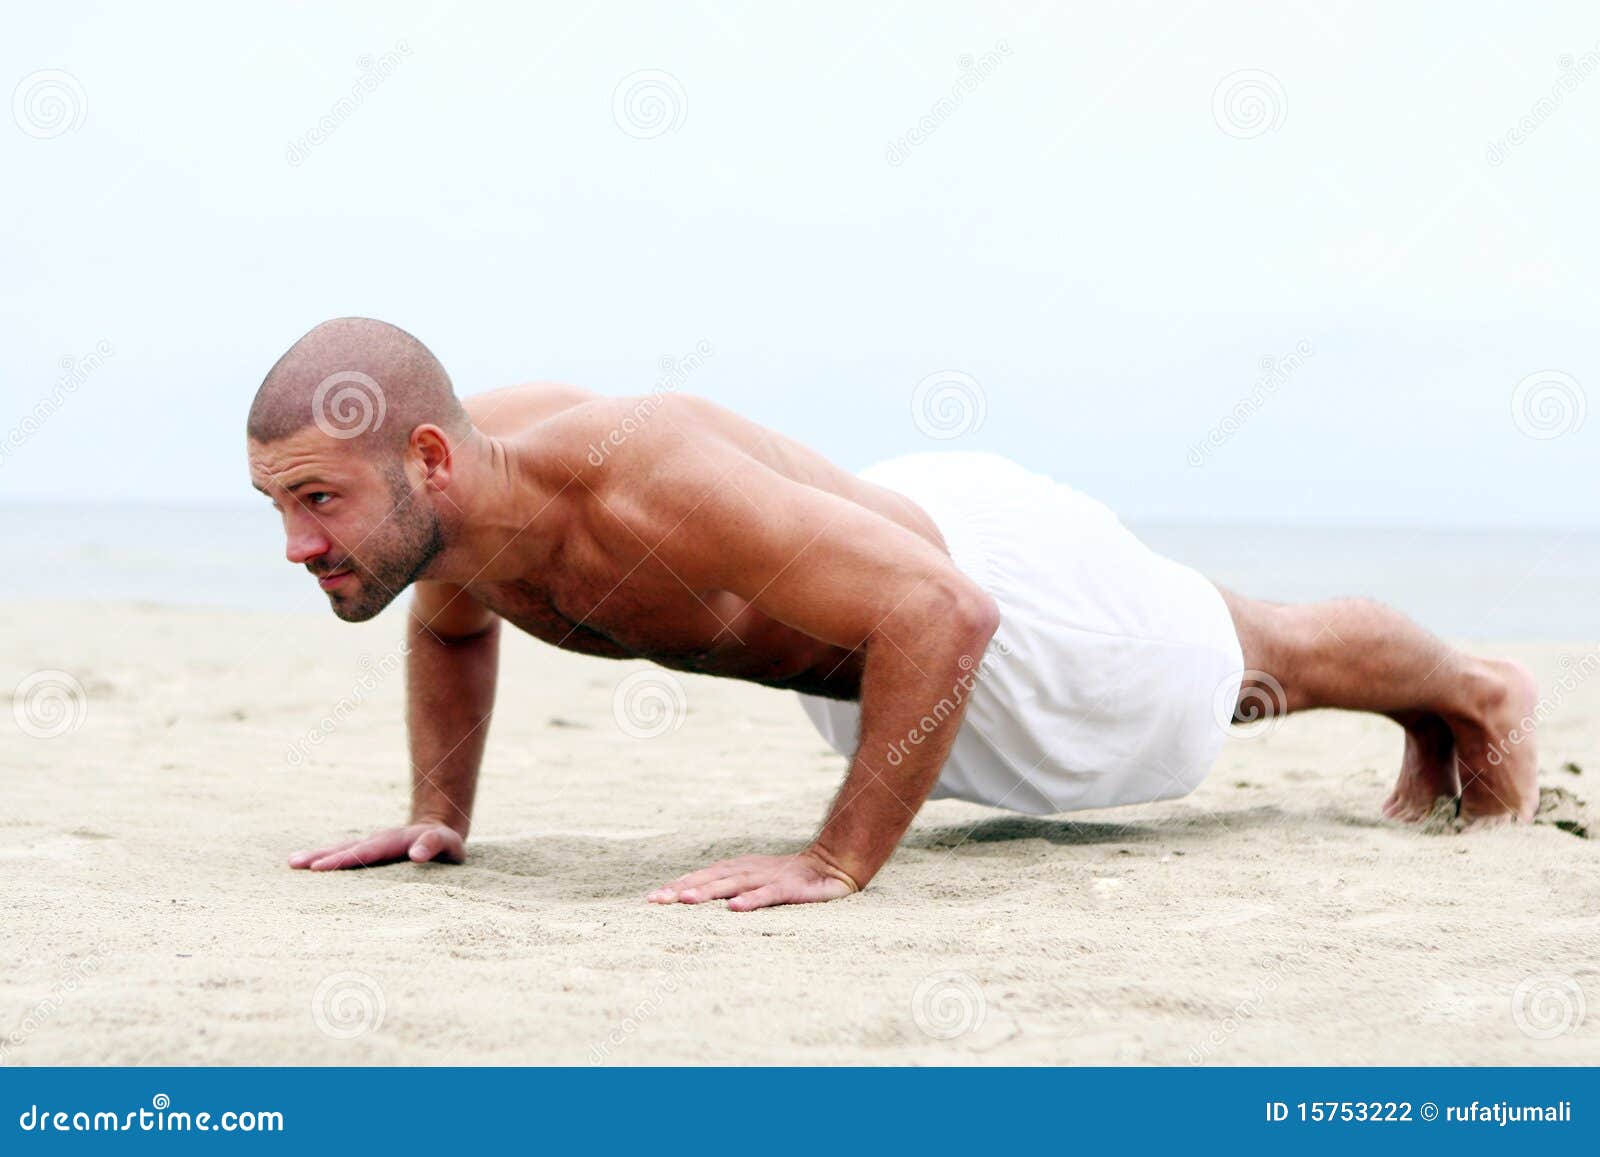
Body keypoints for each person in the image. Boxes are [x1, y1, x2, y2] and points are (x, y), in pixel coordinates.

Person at [246, 318, 1540, 911]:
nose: (300, 545)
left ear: (424, 456)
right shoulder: (465, 508)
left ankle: (1480, 693)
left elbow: (947, 608)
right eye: (277, 507)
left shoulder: (633, 483)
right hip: (865, 583)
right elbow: (454, 623)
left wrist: (836, 859)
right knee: (1249, 646)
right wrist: (439, 813)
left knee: (1256, 653)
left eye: (317, 500)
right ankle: (1428, 716)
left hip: (987, 596)